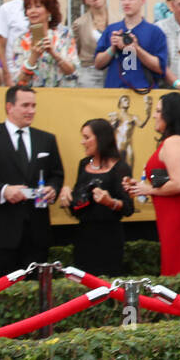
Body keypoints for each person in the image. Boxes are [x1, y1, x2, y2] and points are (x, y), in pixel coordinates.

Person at [0, 86, 65, 282]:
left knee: (39, 296)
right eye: (25, 105)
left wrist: (53, 189)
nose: (31, 110)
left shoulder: (46, 139)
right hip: (1, 234)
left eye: (34, 105)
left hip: (38, 233)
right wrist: (3, 191)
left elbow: (57, 175)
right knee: (1, 292)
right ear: (9, 107)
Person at [122, 91, 180, 275]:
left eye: (159, 111)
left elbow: (179, 184)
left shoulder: (173, 143)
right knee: (177, 269)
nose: (154, 115)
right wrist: (140, 187)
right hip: (174, 216)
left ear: (171, 115)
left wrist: (147, 189)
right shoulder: (173, 142)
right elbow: (170, 179)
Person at [66, 118, 134, 276]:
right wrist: (68, 196)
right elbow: (77, 205)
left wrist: (110, 202)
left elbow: (128, 208)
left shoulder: (120, 167)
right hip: (84, 236)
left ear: (101, 138)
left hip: (109, 238)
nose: (83, 142)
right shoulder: (83, 164)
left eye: (87, 137)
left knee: (107, 284)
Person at [95, 0, 168, 91]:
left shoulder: (155, 32)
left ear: (142, 0)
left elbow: (160, 68)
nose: (126, 3)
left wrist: (136, 49)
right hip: (114, 91)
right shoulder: (112, 29)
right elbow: (98, 64)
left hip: (143, 92)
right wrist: (112, 48)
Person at [13, 0, 78, 87]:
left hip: (62, 95)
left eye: (38, 6)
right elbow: (19, 82)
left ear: (49, 11)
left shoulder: (64, 35)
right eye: (29, 7)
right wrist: (33, 57)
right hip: (32, 97)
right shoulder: (21, 40)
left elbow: (73, 72)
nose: (32, 11)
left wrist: (53, 53)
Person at [69, 0, 111, 88]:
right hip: (89, 73)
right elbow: (75, 51)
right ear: (85, 1)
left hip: (113, 71)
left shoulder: (120, 19)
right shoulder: (79, 24)